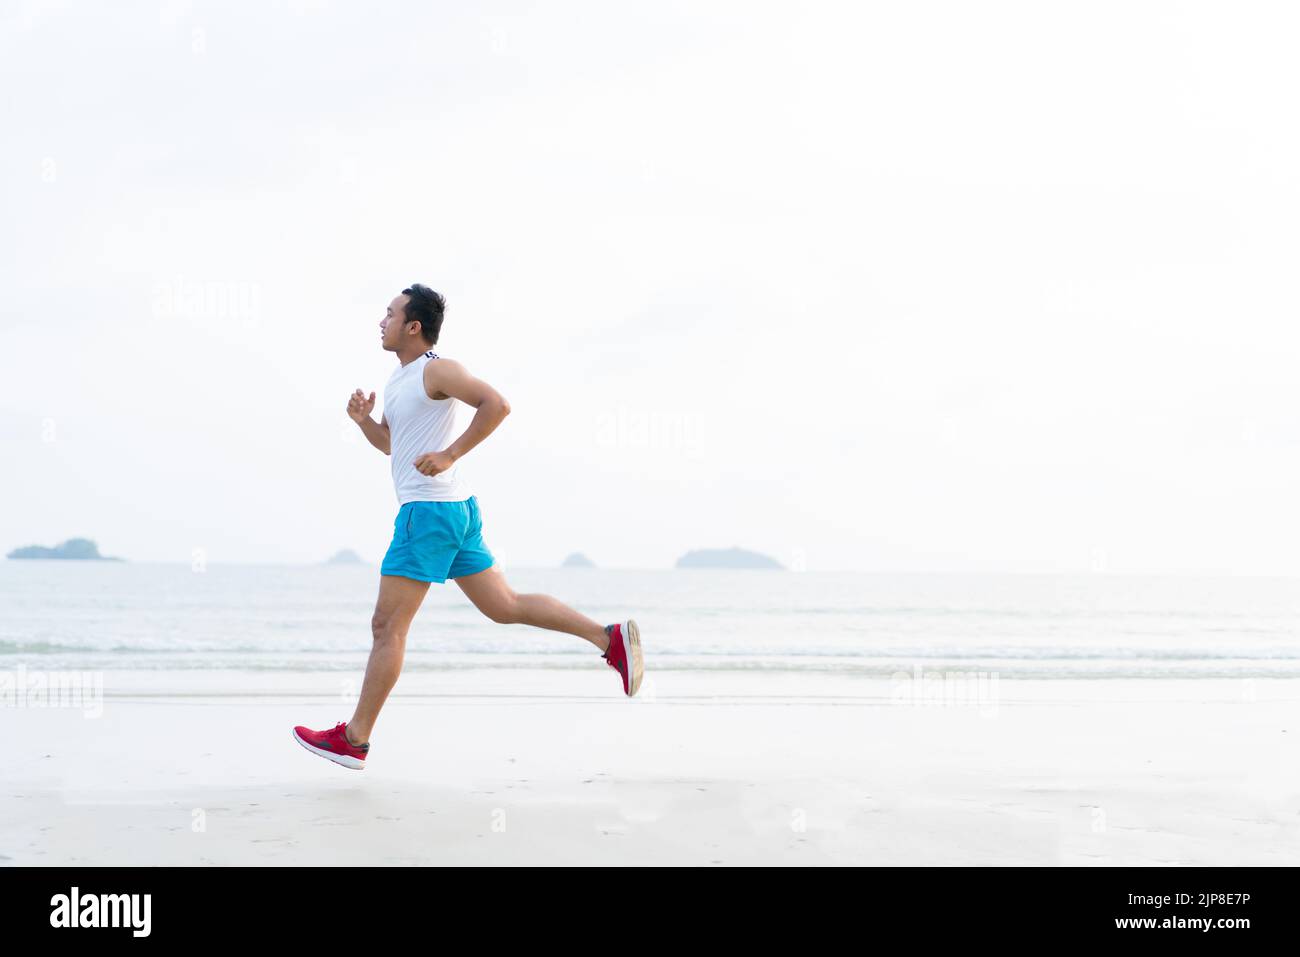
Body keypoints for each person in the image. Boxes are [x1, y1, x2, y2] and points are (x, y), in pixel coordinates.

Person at [293, 284, 643, 770]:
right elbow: (393, 447)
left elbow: (496, 404)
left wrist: (451, 453)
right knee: (505, 606)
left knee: (387, 627)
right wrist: (363, 422)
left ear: (413, 326)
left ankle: (355, 739)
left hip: (429, 513)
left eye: (390, 314)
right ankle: (610, 641)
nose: (382, 320)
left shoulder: (439, 369)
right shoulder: (400, 379)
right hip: (452, 510)